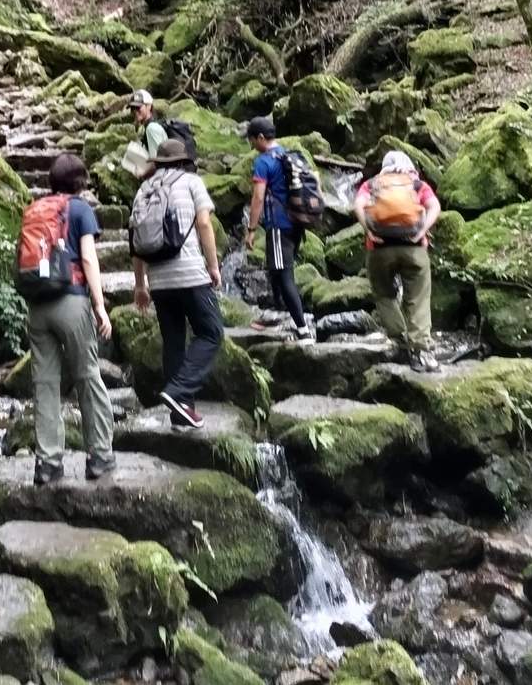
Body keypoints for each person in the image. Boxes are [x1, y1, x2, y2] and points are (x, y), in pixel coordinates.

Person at [25, 154, 116, 486]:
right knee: (87, 376)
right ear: (80, 181)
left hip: (37, 304)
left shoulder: (35, 209)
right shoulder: (79, 209)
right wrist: (100, 306)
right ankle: (100, 456)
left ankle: (47, 463)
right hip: (71, 300)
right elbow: (89, 259)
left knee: (45, 384)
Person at [131, 139, 223, 430]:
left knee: (173, 341)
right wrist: (213, 266)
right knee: (211, 333)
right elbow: (205, 224)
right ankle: (178, 392)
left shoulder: (144, 189)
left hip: (159, 280)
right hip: (190, 275)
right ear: (183, 160)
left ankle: (180, 414)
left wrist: (140, 284)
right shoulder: (192, 182)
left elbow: (135, 241)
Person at [354, 151, 442, 372]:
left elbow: (358, 205)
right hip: (413, 248)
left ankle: (401, 340)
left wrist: (368, 231)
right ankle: (421, 348)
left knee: (384, 294)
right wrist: (422, 229)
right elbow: (435, 207)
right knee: (418, 297)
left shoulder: (372, 184)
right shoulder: (416, 184)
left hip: (379, 249)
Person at [244, 117, 315, 345]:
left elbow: (258, 197)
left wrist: (251, 229)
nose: (252, 144)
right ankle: (278, 314)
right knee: (276, 270)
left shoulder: (263, 162)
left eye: (253, 140)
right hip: (296, 224)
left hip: (278, 225)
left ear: (261, 138)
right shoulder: (287, 155)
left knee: (284, 276)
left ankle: (303, 330)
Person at [131, 89, 167, 160]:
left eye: (138, 107)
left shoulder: (152, 128)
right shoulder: (144, 128)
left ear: (149, 106)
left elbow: (157, 160)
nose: (135, 111)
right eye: (132, 108)